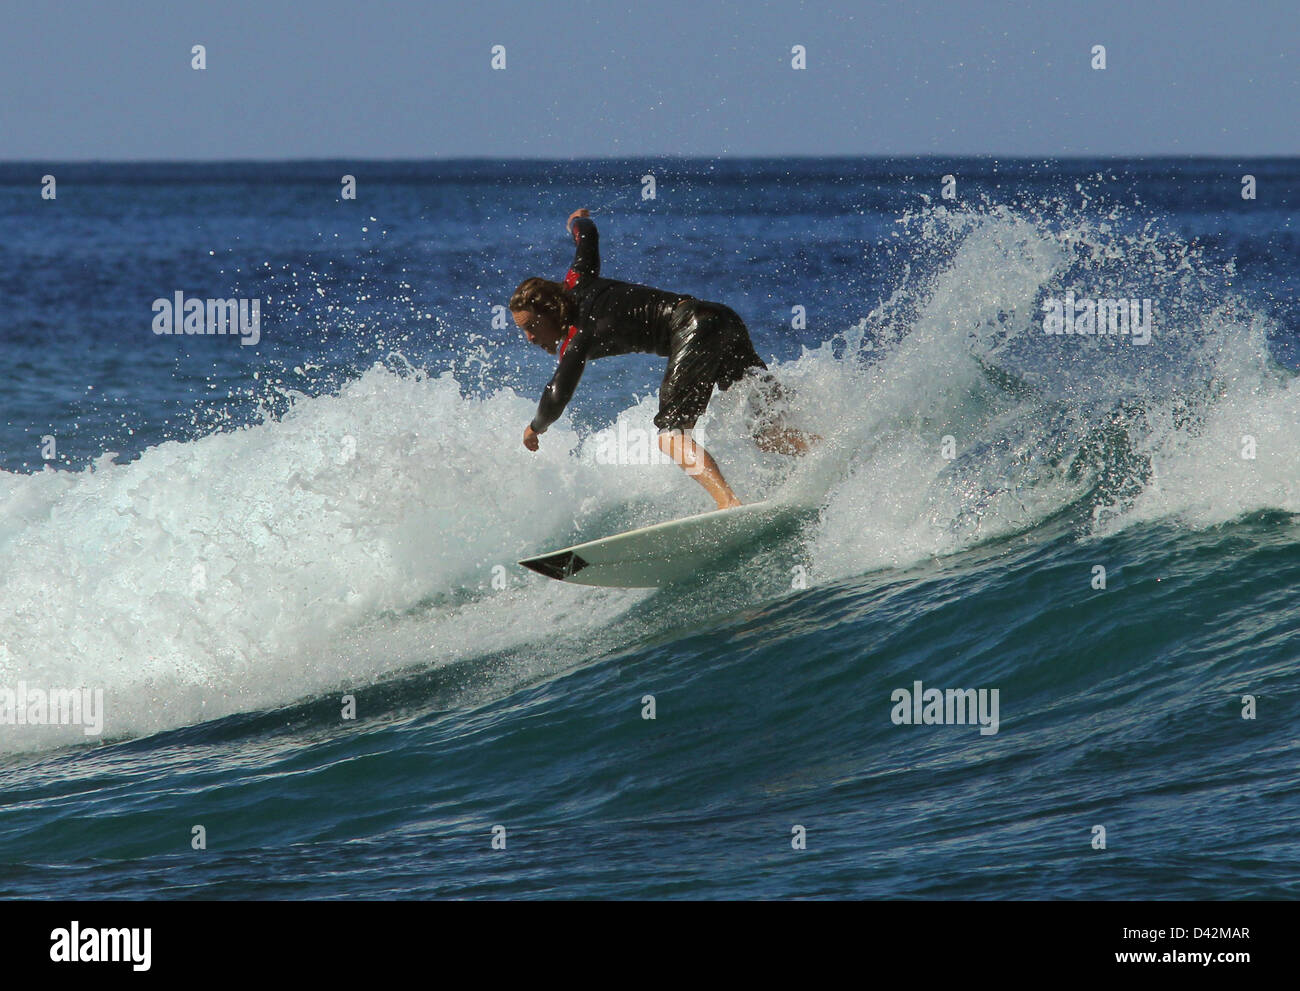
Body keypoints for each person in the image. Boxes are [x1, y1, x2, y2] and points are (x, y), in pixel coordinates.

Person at [511, 209, 817, 509]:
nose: (530, 338)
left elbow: (557, 393)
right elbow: (587, 236)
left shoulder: (579, 336)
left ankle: (728, 503)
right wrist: (577, 221)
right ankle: (831, 452)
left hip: (693, 327)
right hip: (722, 319)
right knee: (766, 433)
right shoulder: (578, 279)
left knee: (671, 436)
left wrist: (534, 428)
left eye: (531, 327)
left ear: (551, 310)